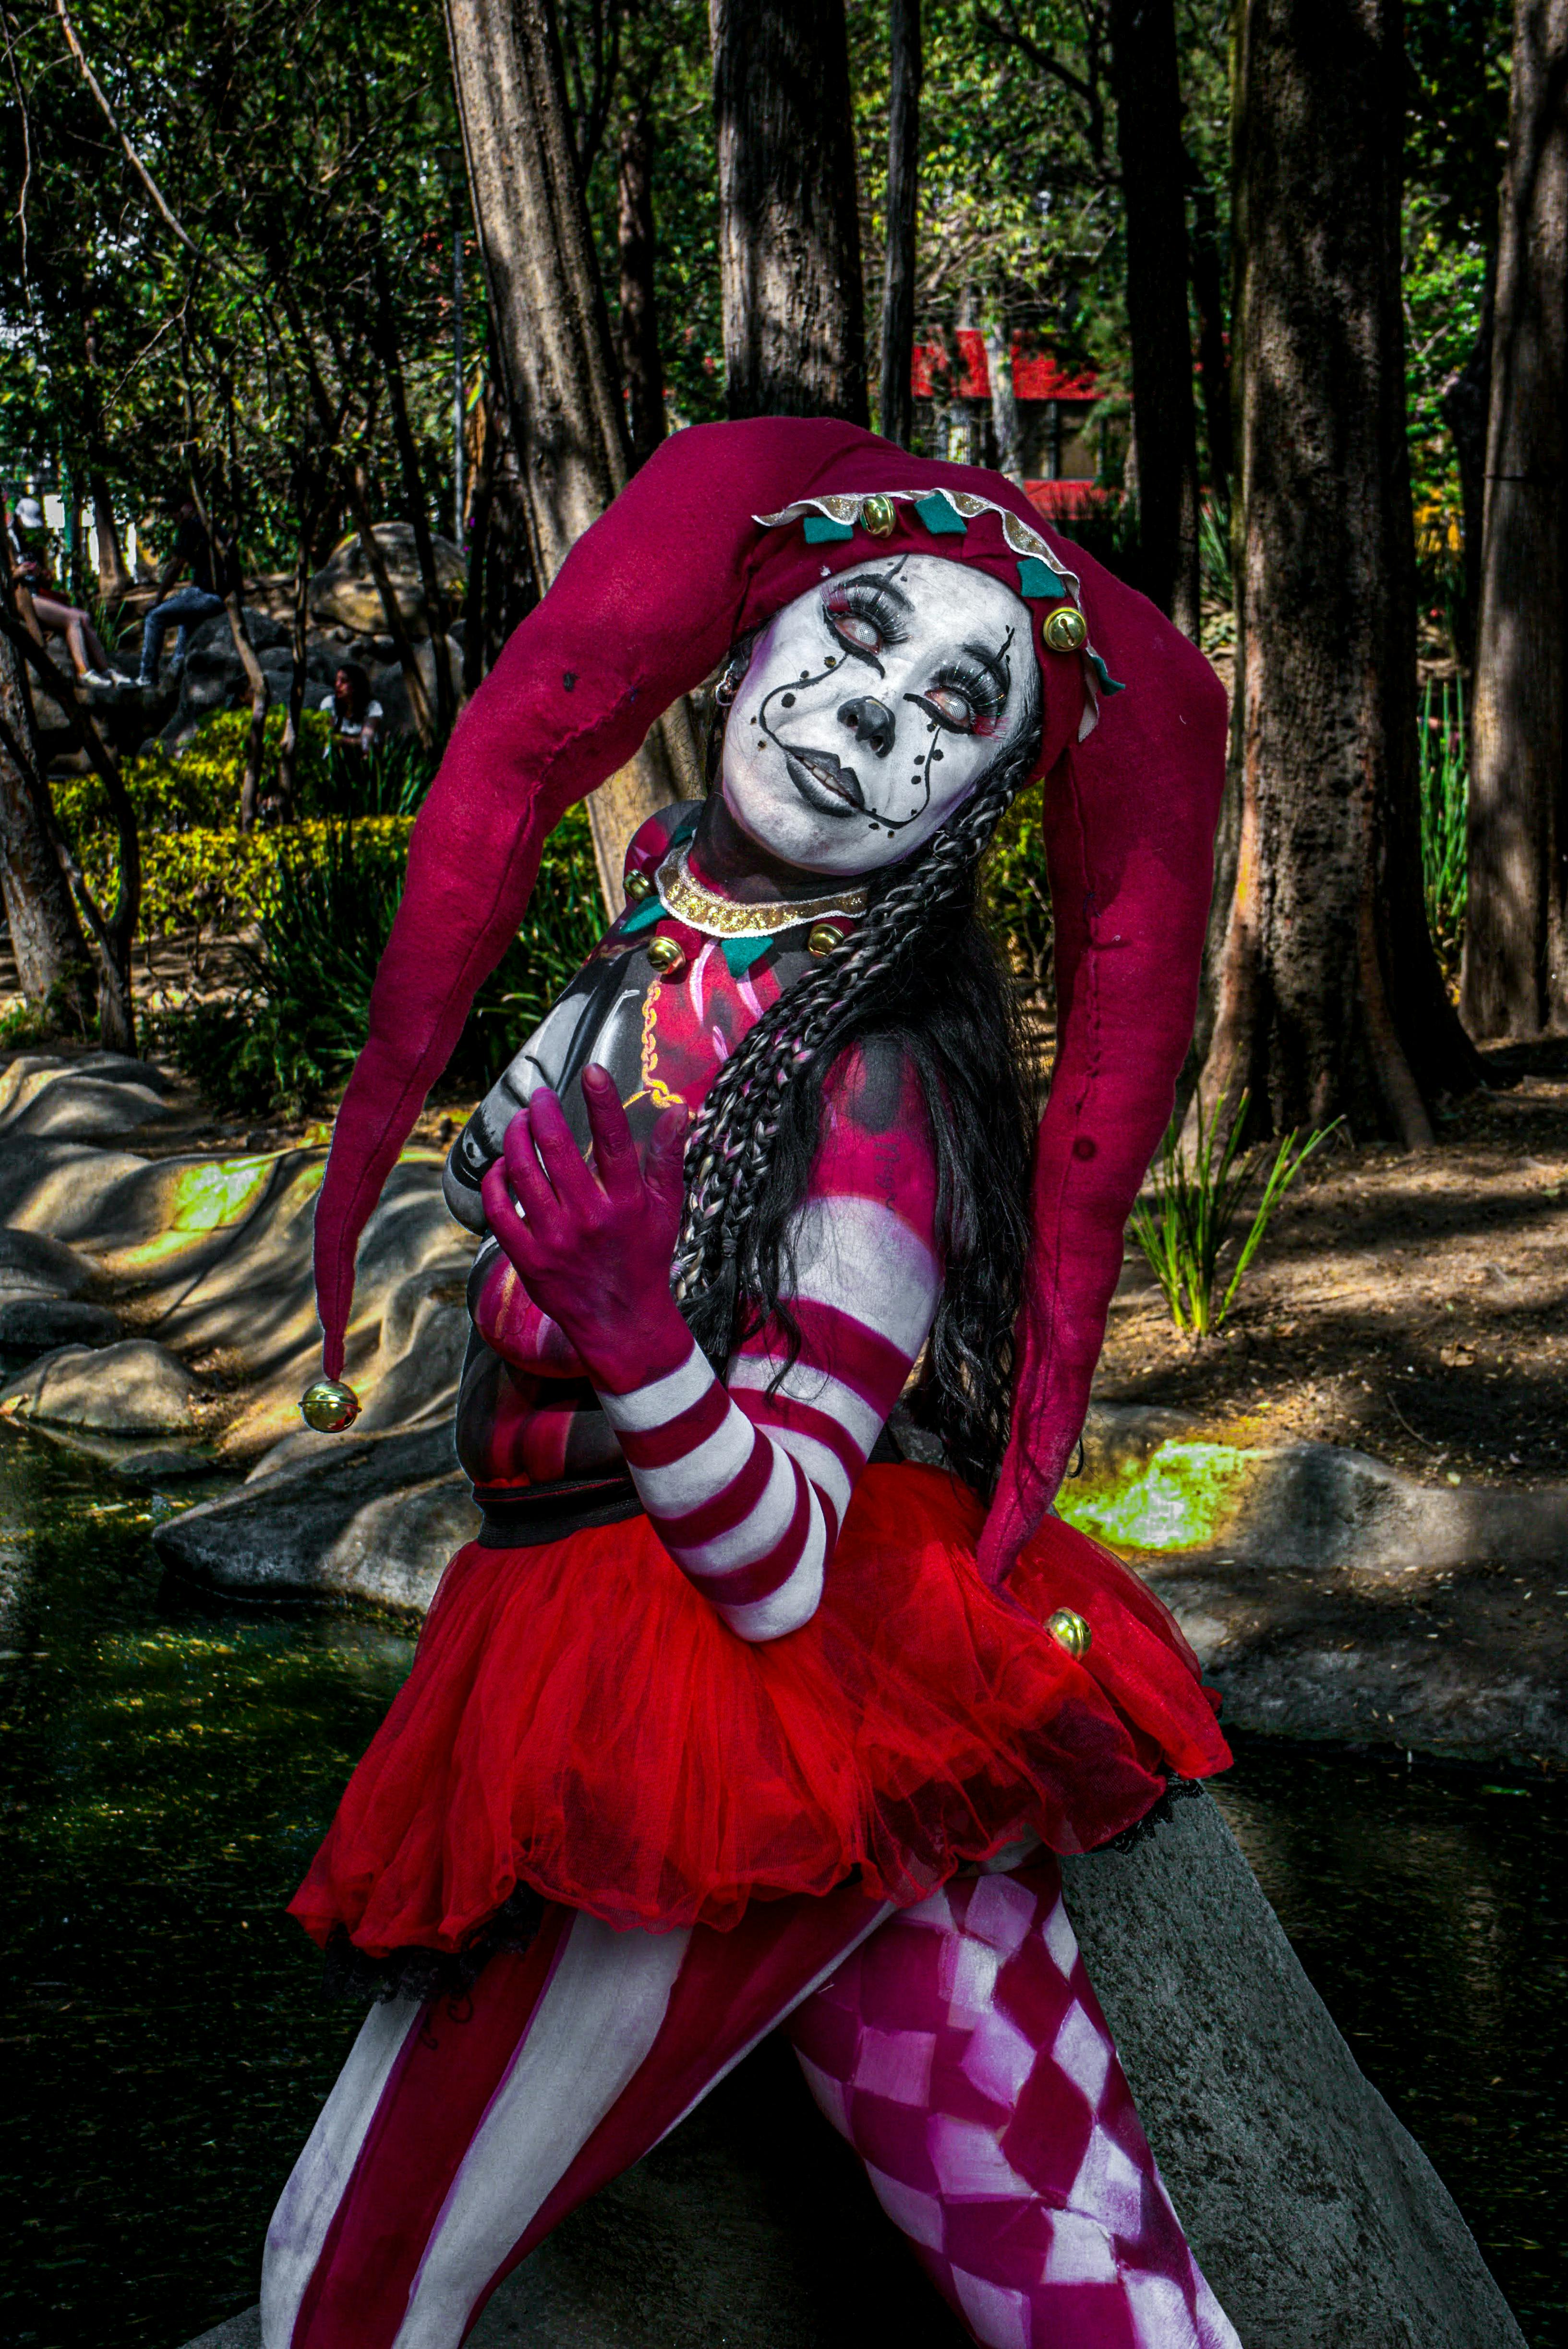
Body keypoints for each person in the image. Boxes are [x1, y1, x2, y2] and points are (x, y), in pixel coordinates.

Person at [266, 419, 1239, 2349]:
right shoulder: (659, 945)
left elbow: (781, 1563)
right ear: (755, 639)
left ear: (975, 805)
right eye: (857, 635)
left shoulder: (869, 1086)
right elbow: (523, 1180)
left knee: (345, 2287)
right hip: (707, 1693)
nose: (870, 713)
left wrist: (635, 1333)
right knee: (1081, 2273)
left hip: (723, 1680)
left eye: (950, 709)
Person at [4, 490, 128, 687]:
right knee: (73, 620)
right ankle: (84, 672)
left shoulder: (34, 540)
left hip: (38, 594)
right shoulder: (7, 541)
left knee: (84, 617)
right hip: (25, 599)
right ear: (17, 518)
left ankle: (106, 670)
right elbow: (8, 578)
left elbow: (44, 577)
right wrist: (18, 573)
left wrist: (43, 575)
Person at [136, 493, 239, 686]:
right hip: (224, 597)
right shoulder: (213, 526)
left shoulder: (192, 525)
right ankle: (178, 669)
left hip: (210, 596)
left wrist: (157, 600)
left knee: (154, 617)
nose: (173, 517)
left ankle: (147, 677)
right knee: (187, 614)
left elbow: (176, 566)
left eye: (176, 511)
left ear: (190, 506)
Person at [318, 661, 383, 755]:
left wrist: (341, 740)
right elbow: (328, 735)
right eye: (337, 680)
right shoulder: (329, 703)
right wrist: (355, 741)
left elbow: (366, 741)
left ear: (356, 685)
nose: (338, 685)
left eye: (344, 681)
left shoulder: (373, 707)